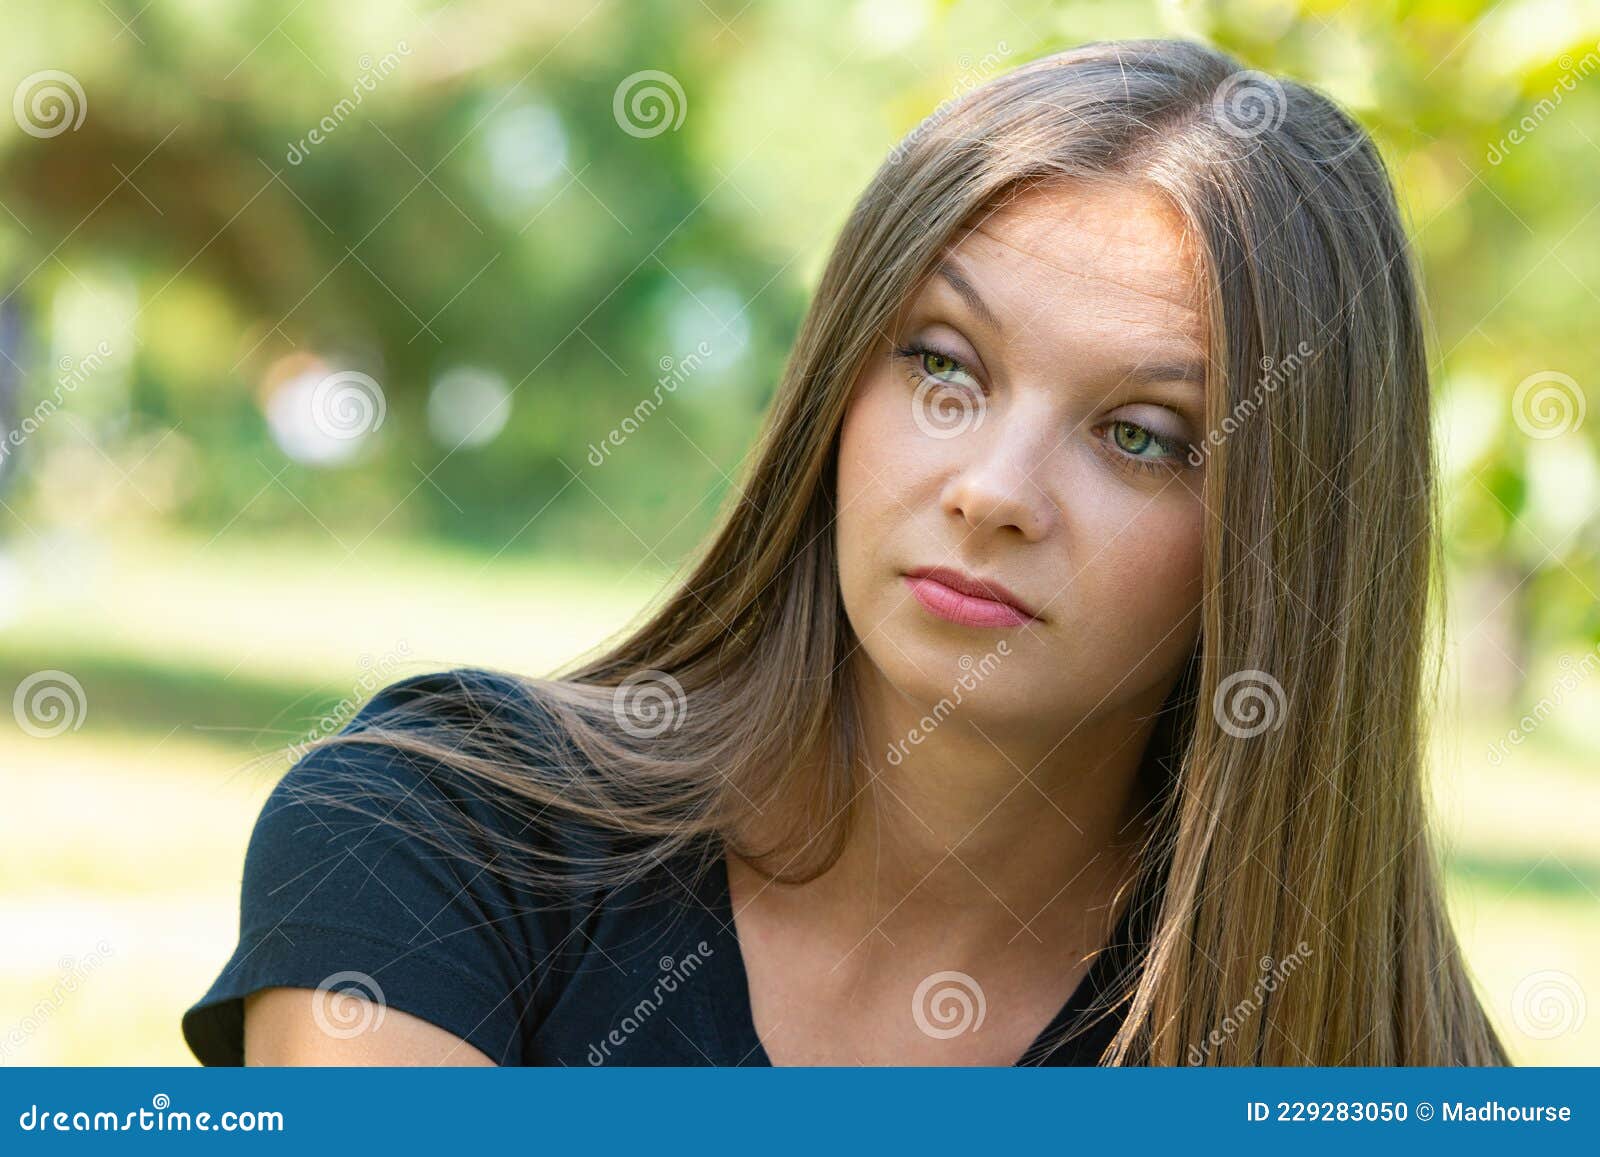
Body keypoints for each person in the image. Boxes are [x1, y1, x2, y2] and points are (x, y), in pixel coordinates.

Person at [183, 36, 1509, 1067]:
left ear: (1288, 545)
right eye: (942, 364)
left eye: (1142, 436)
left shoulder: (1360, 1057)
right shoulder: (438, 835)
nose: (993, 492)